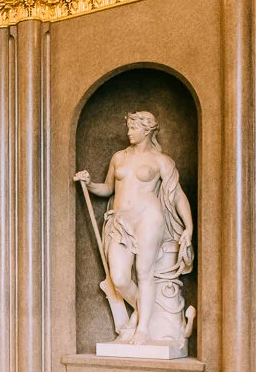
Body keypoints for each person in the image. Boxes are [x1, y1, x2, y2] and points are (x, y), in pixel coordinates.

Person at [74, 111, 194, 343]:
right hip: (120, 221)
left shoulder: (161, 161)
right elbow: (108, 189)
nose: (128, 132)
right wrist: (89, 184)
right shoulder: (119, 157)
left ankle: (142, 330)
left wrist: (188, 228)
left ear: (147, 129)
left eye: (133, 127)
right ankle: (141, 312)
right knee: (119, 277)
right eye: (128, 127)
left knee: (144, 272)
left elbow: (177, 196)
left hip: (149, 218)